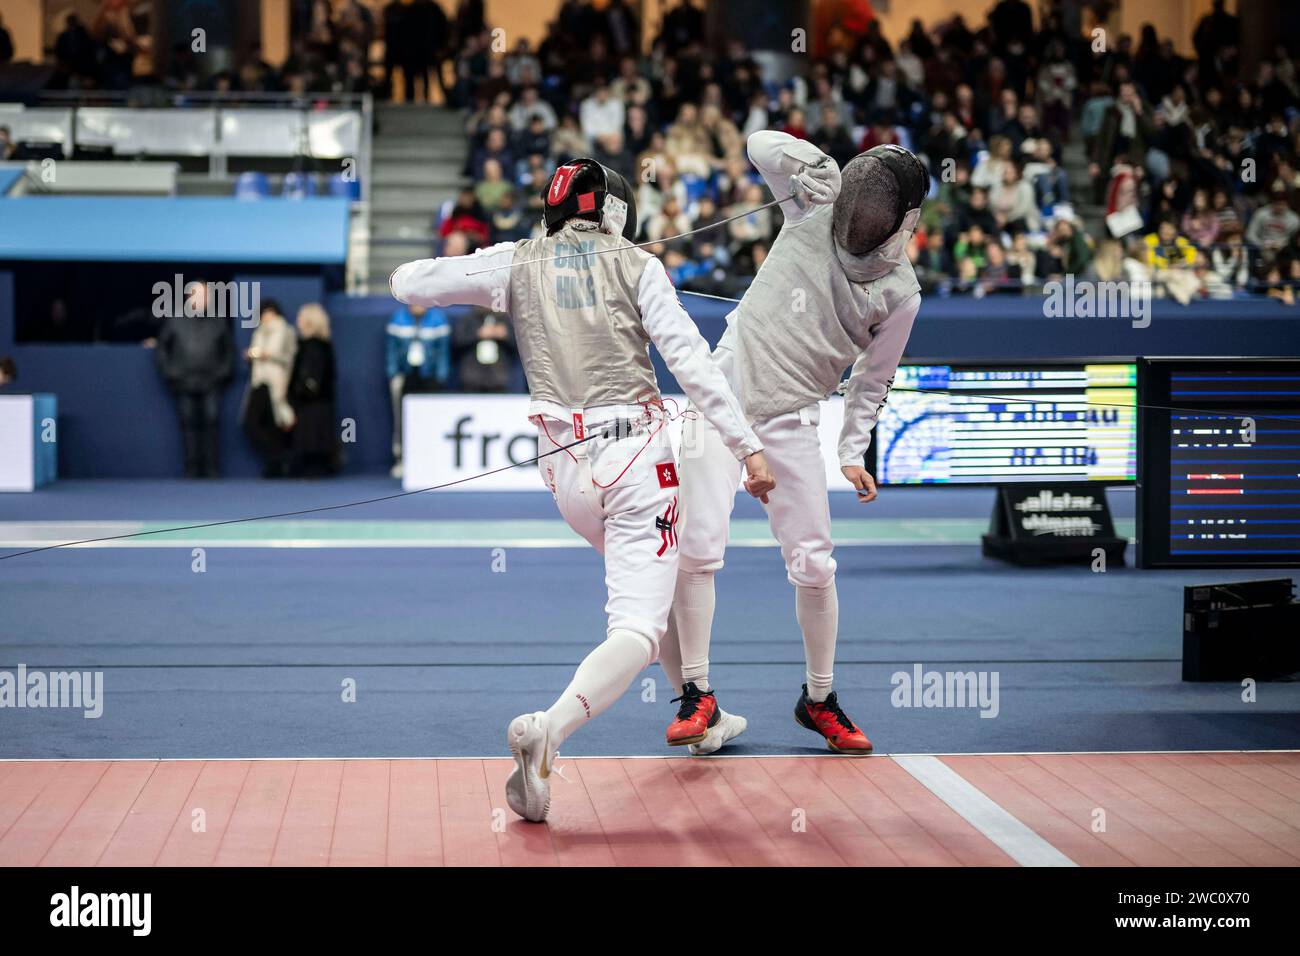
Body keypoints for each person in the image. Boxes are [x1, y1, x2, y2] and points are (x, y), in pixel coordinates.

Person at [390, 158, 774, 822]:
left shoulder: (517, 259)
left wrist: (465, 273)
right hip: (634, 462)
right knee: (637, 628)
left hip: (566, 475)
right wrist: (749, 446)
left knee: (665, 578)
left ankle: (702, 709)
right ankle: (550, 730)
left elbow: (408, 283)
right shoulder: (638, 266)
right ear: (617, 214)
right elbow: (689, 361)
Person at [658, 133, 925, 757]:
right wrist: (809, 164)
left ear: (902, 221)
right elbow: (756, 145)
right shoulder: (813, 205)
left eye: (877, 209)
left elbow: (872, 379)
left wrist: (852, 451)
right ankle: (698, 694)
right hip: (720, 403)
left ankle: (819, 699)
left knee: (814, 563)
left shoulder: (900, 294)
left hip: (794, 419)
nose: (859, 215)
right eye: (858, 197)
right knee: (696, 549)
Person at [154, 282, 236, 478]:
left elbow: (229, 351)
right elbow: (162, 349)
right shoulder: (175, 320)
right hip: (183, 382)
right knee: (188, 424)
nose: (202, 299)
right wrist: (171, 372)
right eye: (198, 295)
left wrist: (222, 373)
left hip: (212, 383)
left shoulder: (218, 320)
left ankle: (212, 470)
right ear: (189, 296)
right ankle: (191, 470)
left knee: (212, 422)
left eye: (206, 295)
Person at [385, 300, 450, 479]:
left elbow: (443, 351)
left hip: (429, 377)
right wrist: (394, 373)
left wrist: (440, 376)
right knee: (402, 419)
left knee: (431, 419)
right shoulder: (398, 318)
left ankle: (431, 459)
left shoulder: (438, 319)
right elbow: (391, 349)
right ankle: (402, 459)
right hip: (405, 376)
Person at [241, 300, 298, 478]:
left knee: (277, 424)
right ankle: (276, 458)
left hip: (278, 382)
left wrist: (267, 355)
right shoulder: (258, 332)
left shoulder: (286, 331)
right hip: (259, 382)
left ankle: (277, 464)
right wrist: (252, 356)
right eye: (264, 313)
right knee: (251, 422)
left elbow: (289, 356)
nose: (266, 316)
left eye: (270, 312)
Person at [288, 304, 340, 477]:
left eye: (301, 318)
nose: (298, 321)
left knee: (313, 436)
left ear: (310, 321)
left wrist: (301, 392)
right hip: (316, 402)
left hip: (314, 403)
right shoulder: (319, 346)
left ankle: (317, 466)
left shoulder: (314, 347)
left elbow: (312, 379)